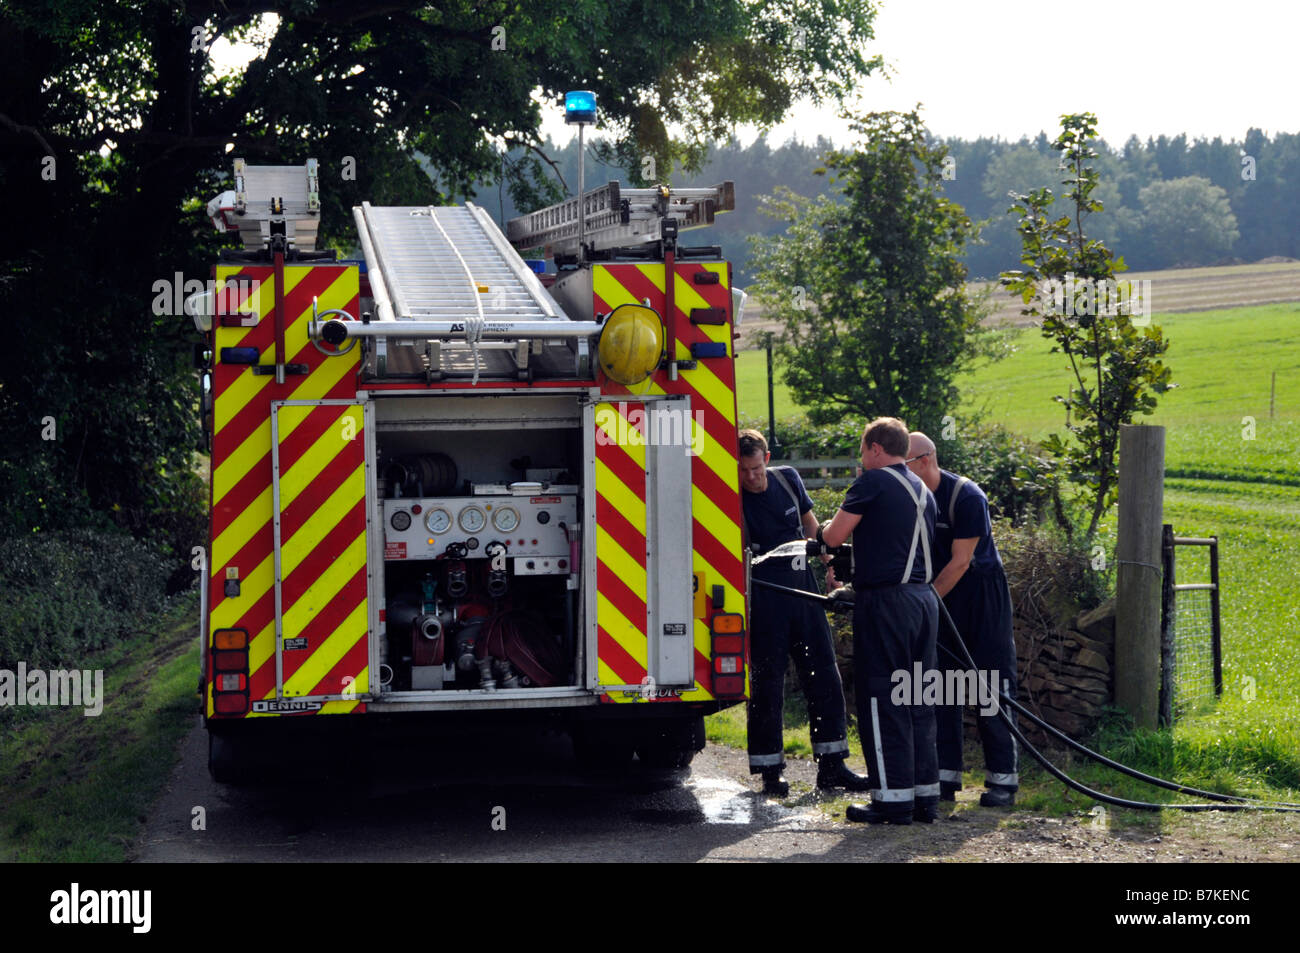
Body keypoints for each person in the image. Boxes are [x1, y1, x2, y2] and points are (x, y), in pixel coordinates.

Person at [819, 417, 940, 824]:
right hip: (925, 599)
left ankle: (891, 800)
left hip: (888, 603)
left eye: (861, 450)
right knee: (918, 698)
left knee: (883, 697)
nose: (861, 457)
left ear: (874, 448)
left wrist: (817, 542)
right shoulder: (923, 489)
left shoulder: (872, 481)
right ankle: (925, 796)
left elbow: (833, 537)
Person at [738, 429, 868, 796]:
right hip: (764, 594)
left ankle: (833, 765)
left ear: (766, 457)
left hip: (804, 588)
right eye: (745, 470)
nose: (753, 477)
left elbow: (813, 528)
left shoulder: (788, 479)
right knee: (767, 682)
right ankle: (769, 770)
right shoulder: (732, 498)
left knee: (824, 674)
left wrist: (829, 563)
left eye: (757, 467)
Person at [906, 432, 1019, 807]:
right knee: (940, 686)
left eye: (902, 465)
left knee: (990, 685)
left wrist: (926, 601)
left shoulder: (967, 497)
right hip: (941, 593)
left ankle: (1003, 781)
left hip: (981, 595)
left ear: (924, 460)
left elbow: (961, 562)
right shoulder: (913, 497)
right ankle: (944, 778)